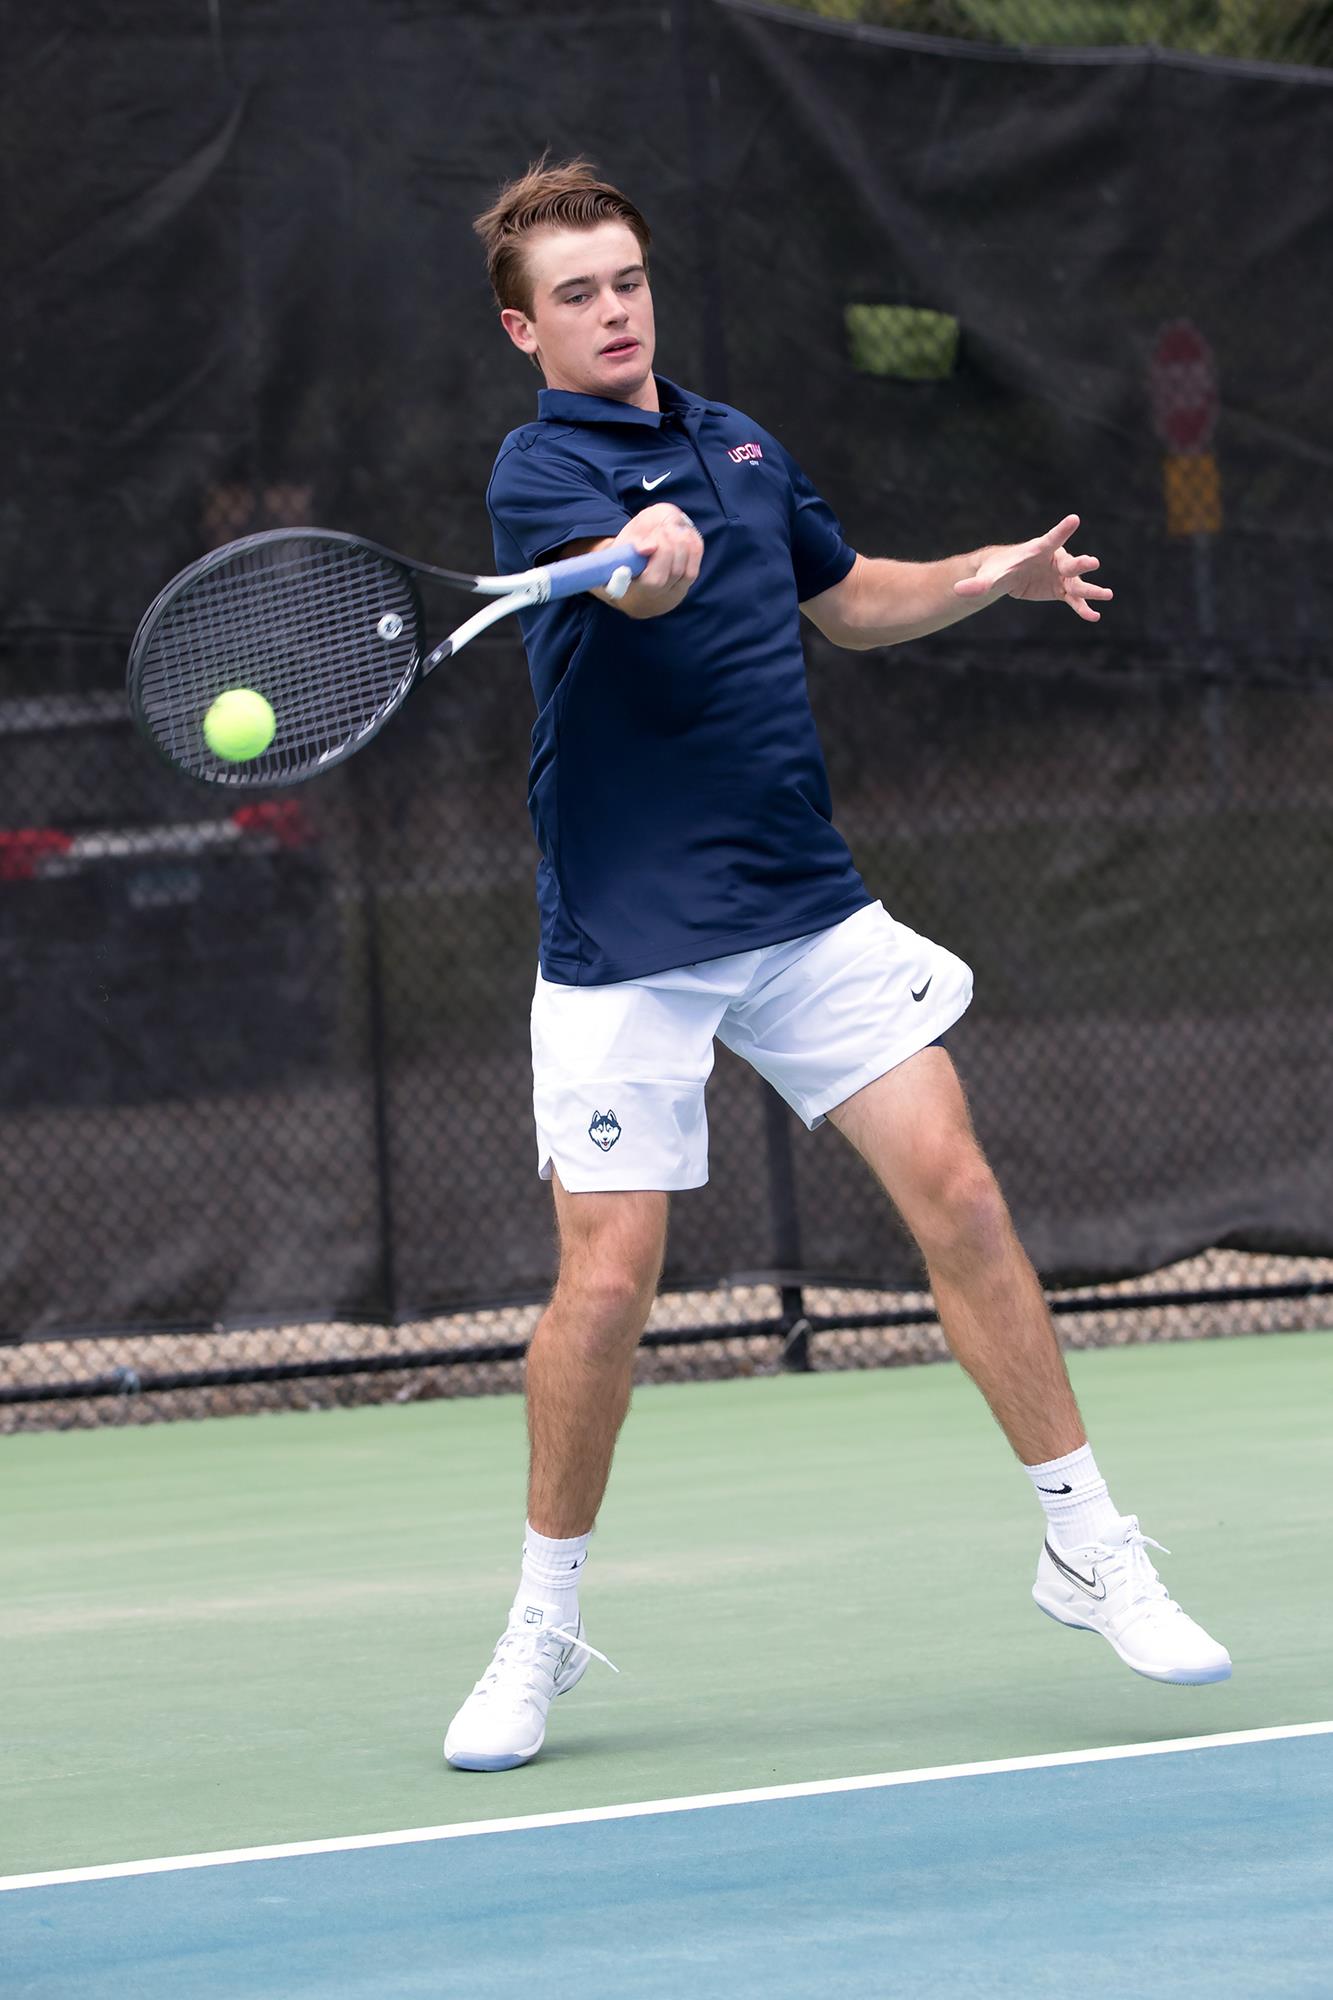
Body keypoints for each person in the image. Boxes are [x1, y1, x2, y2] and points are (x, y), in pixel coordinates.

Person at [445, 159, 1230, 1772]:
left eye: (626, 282)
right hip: (625, 940)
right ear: (524, 330)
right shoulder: (538, 479)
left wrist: (982, 575)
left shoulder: (740, 443)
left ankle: (1086, 1547)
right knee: (606, 1286)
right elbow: (650, 590)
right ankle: (539, 1623)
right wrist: (641, 552)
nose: (612, 311)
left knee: (963, 1196)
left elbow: (845, 600)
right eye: (575, 295)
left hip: (800, 908)